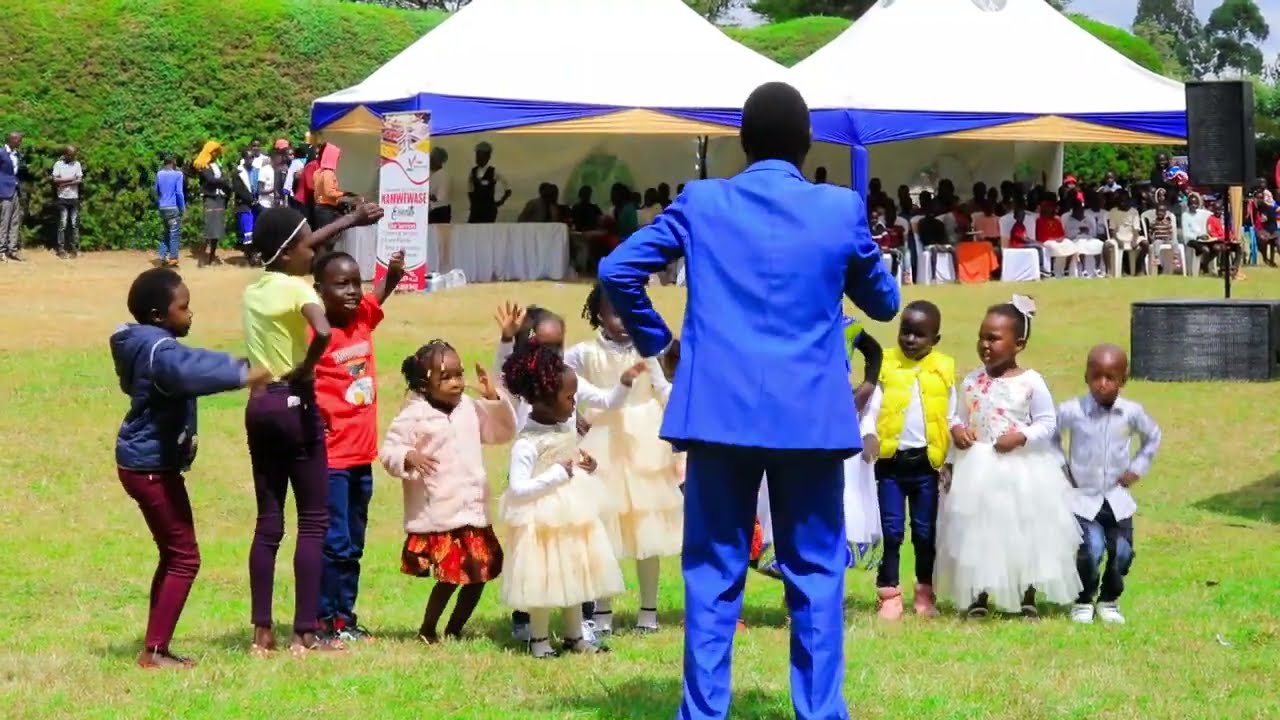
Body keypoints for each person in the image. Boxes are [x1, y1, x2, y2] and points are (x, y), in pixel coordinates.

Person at [598, 81, 899, 720]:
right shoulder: (839, 208)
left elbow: (617, 270)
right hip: (810, 418)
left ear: (742, 141)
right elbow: (885, 303)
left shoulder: (703, 201)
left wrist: (661, 343)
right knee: (815, 573)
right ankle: (820, 711)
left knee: (712, 572)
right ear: (808, 142)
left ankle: (704, 712)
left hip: (718, 414)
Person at [240, 203, 383, 657]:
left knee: (268, 524)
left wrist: (351, 221)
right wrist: (306, 369)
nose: (314, 250)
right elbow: (321, 331)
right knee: (315, 522)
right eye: (307, 245)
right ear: (288, 253)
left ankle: (262, 632)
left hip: (259, 405)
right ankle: (306, 632)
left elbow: (295, 246)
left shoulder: (254, 290)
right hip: (293, 402)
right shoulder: (298, 289)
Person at [111, 267, 269, 668]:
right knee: (184, 557)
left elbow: (191, 358)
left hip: (144, 462)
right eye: (183, 307)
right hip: (149, 467)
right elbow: (188, 369)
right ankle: (155, 652)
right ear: (158, 315)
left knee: (173, 554)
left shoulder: (144, 343)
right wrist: (243, 373)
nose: (190, 313)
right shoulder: (161, 352)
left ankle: (155, 645)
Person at [492, 302, 636, 643]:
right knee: (534, 556)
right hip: (537, 480)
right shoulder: (529, 383)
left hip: (570, 486)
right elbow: (503, 376)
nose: (554, 353)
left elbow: (605, 401)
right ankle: (527, 620)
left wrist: (625, 383)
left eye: (559, 344)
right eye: (544, 345)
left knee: (576, 549)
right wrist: (507, 340)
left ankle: (580, 622)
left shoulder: (568, 379)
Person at [935, 298, 1082, 618]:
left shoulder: (1030, 382)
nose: (985, 345)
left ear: (1019, 344)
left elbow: (1047, 422)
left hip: (1021, 470)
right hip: (978, 468)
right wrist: (957, 431)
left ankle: (1027, 594)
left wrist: (1022, 436)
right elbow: (958, 416)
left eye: (994, 338)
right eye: (981, 337)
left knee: (1024, 532)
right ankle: (979, 594)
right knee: (980, 532)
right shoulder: (972, 380)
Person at [380, 340, 516, 643]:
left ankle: (455, 629)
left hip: (473, 509)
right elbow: (388, 451)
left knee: (480, 575)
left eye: (459, 374)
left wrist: (493, 399)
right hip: (440, 511)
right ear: (424, 383)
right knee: (450, 577)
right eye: (446, 377)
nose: (456, 382)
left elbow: (501, 432)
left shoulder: (469, 407)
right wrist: (408, 455)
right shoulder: (414, 415)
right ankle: (428, 629)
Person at [568, 284, 681, 635]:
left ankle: (648, 611)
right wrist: (572, 416)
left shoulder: (647, 349)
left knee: (647, 530)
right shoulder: (585, 353)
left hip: (645, 444)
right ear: (598, 314)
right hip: (603, 443)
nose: (622, 321)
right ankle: (602, 612)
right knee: (604, 528)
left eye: (627, 313)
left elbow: (662, 388)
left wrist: (686, 410)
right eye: (614, 313)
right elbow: (557, 383)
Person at [311, 250, 404, 643]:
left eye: (356, 282)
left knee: (354, 542)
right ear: (319, 290)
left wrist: (393, 275)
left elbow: (376, 296)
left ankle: (345, 618)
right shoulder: (314, 333)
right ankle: (322, 619)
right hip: (331, 458)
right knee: (334, 542)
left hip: (362, 457)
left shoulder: (362, 316)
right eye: (341, 284)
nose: (352, 291)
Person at [858, 300, 954, 620]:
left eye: (919, 335)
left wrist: (949, 459)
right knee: (892, 531)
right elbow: (871, 408)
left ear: (935, 339)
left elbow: (950, 416)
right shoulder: (887, 365)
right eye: (905, 332)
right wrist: (869, 434)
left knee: (925, 533)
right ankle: (889, 593)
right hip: (890, 466)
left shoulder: (943, 369)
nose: (910, 339)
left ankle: (925, 591)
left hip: (926, 466)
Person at [1056, 344, 1161, 626]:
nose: (1102, 384)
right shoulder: (1072, 410)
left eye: (1110, 378)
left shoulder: (1131, 413)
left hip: (1117, 498)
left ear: (1123, 380)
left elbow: (1153, 436)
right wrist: (1062, 467)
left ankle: (1108, 600)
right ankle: (1083, 600)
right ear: (1086, 376)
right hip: (1083, 498)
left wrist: (1137, 468)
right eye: (1096, 376)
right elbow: (1049, 434)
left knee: (1122, 552)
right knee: (1090, 550)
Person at [193, 141, 230, 267]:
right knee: (209, 226)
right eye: (214, 151)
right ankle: (202, 258)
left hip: (219, 198)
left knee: (217, 228)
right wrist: (224, 181)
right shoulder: (203, 165)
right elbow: (210, 180)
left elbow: (220, 179)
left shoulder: (217, 165)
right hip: (210, 198)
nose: (216, 154)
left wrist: (224, 184)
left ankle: (212, 256)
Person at [51, 145, 84, 259]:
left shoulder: (77, 164)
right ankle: (61, 249)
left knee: (75, 225)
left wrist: (64, 183)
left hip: (74, 198)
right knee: (63, 224)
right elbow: (55, 179)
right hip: (62, 198)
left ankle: (75, 248)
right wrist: (71, 179)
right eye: (70, 155)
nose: (72, 157)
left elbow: (79, 180)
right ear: (65, 154)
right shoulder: (58, 164)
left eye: (74, 155)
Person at [467, 142, 511, 223]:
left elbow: (508, 189)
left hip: (489, 211)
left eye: (481, 156)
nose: (478, 159)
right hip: (475, 211)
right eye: (477, 156)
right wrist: (473, 204)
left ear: (488, 157)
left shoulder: (494, 171)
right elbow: (470, 190)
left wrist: (501, 201)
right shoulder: (473, 172)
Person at [155, 155, 186, 267]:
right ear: (173, 163)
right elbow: (179, 192)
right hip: (172, 207)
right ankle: (173, 258)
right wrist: (182, 207)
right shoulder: (178, 174)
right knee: (174, 233)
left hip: (162, 207)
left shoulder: (159, 174)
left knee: (166, 232)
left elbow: (156, 190)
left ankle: (162, 256)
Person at [0, 131, 24, 262]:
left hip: (15, 190)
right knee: (5, 221)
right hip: (4, 191)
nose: (20, 142)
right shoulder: (1, 153)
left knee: (15, 221)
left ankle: (12, 250)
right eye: (18, 140)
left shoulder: (17, 154)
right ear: (11, 140)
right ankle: (1, 251)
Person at [232, 151, 259, 266]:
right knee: (247, 231)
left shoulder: (256, 171)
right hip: (243, 205)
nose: (250, 160)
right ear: (244, 158)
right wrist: (250, 199)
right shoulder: (238, 173)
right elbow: (238, 190)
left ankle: (254, 255)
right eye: (248, 157)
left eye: (252, 157)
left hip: (256, 205)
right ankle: (249, 256)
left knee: (255, 231)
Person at [313, 143, 347, 230]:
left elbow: (316, 193)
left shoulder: (319, 172)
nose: (338, 160)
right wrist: (343, 194)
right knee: (328, 235)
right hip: (326, 209)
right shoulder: (328, 173)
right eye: (337, 157)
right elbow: (329, 192)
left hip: (320, 207)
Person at [1182, 193, 1215, 275]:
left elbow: (1212, 214)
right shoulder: (1185, 215)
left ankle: (1205, 265)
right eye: (1191, 204)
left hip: (1203, 239)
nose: (1193, 205)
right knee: (1205, 250)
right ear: (1188, 204)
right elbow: (1186, 234)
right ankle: (1204, 268)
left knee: (1216, 248)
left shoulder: (1201, 213)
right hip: (1191, 240)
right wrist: (1198, 237)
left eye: (1195, 203)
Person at [428, 147, 451, 224]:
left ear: (438, 161)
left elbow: (440, 197)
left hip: (440, 212)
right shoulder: (434, 175)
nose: (430, 162)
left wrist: (424, 196)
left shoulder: (443, 175)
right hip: (434, 211)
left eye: (432, 160)